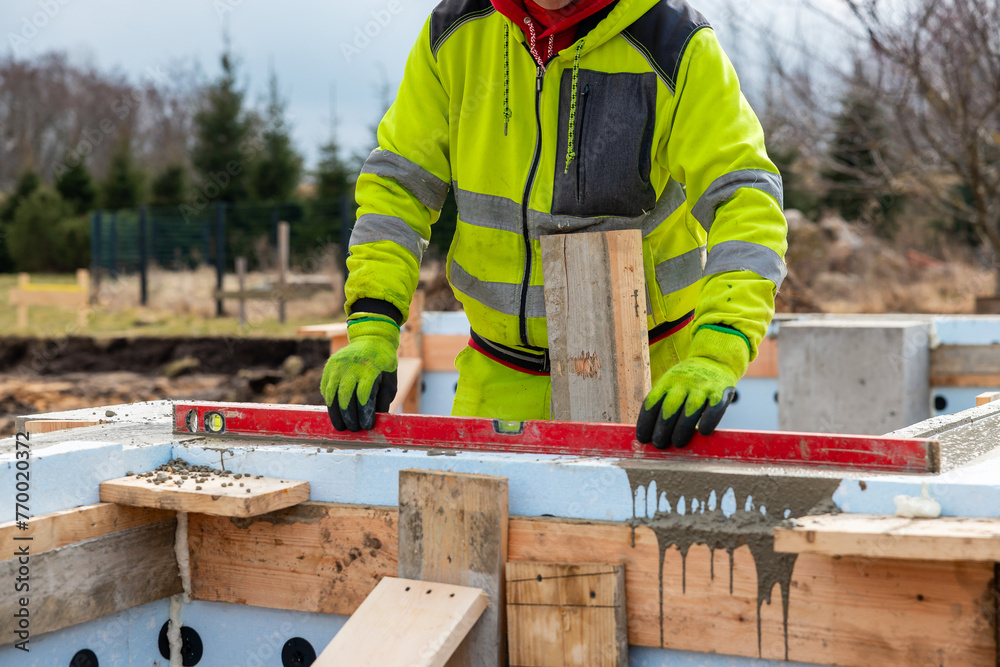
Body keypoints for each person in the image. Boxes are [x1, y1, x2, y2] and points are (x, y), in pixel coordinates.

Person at [320, 0, 786, 449]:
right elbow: (399, 188)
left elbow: (744, 197)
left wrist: (718, 348)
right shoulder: (455, 31)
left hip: (648, 385)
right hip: (496, 381)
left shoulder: (673, 45)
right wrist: (373, 323)